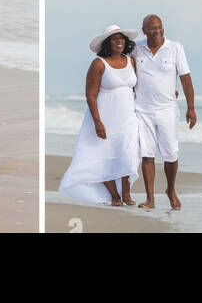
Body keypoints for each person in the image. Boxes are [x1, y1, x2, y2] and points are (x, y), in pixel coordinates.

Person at [58, 26, 141, 207]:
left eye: (122, 38)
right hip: (105, 117)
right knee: (105, 155)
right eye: (114, 39)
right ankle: (114, 196)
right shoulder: (99, 64)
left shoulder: (131, 61)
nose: (119, 41)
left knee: (128, 153)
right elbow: (91, 95)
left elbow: (137, 89)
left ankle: (126, 193)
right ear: (107, 43)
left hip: (128, 117)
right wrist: (97, 122)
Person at [133, 14, 195, 210]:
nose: (157, 31)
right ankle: (150, 198)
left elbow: (185, 79)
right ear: (144, 30)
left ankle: (170, 189)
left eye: (160, 27)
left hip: (168, 110)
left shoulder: (175, 48)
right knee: (147, 154)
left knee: (171, 154)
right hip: (142, 110)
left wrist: (191, 108)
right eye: (152, 28)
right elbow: (125, 72)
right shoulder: (135, 48)